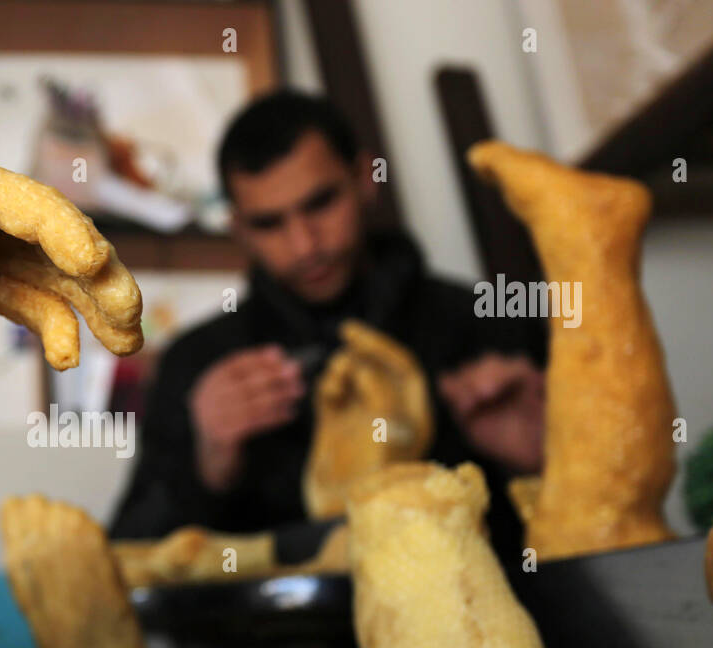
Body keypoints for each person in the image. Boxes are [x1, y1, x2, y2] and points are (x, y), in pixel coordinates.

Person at [109, 89, 547, 561]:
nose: (304, 245)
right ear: (238, 229)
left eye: (320, 204)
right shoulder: (199, 363)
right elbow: (126, 565)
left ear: (364, 178)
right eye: (269, 224)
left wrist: (542, 466)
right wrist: (207, 469)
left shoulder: (487, 326)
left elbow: (597, 555)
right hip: (274, 633)